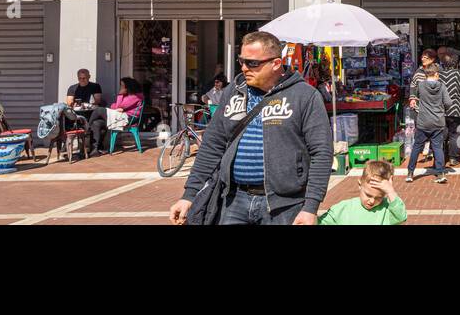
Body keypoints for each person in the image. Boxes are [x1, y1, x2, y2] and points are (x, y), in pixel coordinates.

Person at [170, 30, 332, 227]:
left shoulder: (305, 95)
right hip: (233, 199)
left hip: (285, 204)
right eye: (242, 61)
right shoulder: (234, 91)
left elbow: (321, 153)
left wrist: (310, 207)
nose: (245, 68)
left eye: (253, 63)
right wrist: (189, 195)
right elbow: (212, 145)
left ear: (276, 64)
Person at [318, 159, 408, 225]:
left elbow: (401, 217)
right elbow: (320, 222)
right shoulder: (343, 208)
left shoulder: (387, 209)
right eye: (368, 195)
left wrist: (391, 191)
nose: (372, 201)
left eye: (379, 197)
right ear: (360, 184)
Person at [406, 64, 448, 184]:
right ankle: (440, 173)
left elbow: (417, 96)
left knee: (417, 147)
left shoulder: (421, 85)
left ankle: (410, 173)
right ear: (436, 74)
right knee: (437, 148)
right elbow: (448, 102)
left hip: (423, 121)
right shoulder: (442, 86)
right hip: (438, 121)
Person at [438, 51, 460, 167]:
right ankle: (453, 158)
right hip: (456, 108)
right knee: (455, 133)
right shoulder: (458, 74)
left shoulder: (439, 75)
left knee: (443, 133)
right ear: (456, 63)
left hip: (442, 109)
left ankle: (441, 157)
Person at [64, 84, 109, 156]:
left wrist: (89, 104)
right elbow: (69, 103)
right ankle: (86, 147)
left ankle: (94, 148)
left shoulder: (95, 86)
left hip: (92, 114)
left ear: (89, 76)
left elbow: (97, 100)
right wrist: (73, 103)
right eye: (80, 78)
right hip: (78, 115)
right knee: (90, 123)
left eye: (84, 78)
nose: (82, 80)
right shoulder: (73, 88)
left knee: (96, 123)